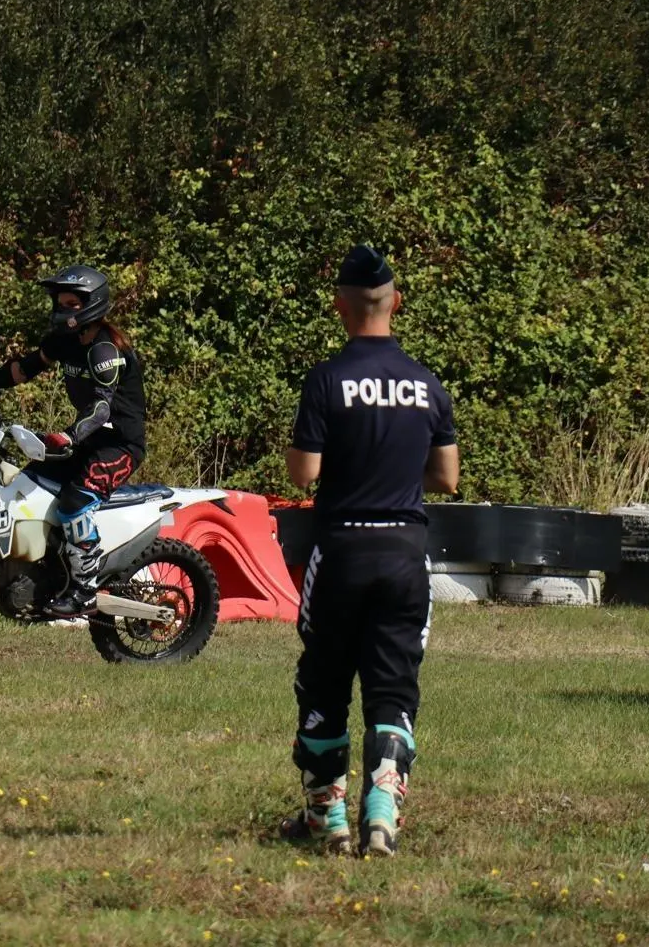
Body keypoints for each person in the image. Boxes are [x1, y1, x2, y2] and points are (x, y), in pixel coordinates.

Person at [279, 244, 459, 857]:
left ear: (340, 307)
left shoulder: (327, 379)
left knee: (325, 683)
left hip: (343, 550)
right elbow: (447, 478)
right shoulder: (428, 385)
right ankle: (381, 813)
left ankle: (327, 817)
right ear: (396, 303)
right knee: (393, 685)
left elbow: (303, 472)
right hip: (407, 553)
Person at [0, 264, 147, 616]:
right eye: (60, 303)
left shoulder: (105, 350)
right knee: (32, 482)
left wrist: (68, 435)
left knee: (74, 503)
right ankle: (41, 574)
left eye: (71, 304)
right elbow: (22, 370)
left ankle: (85, 590)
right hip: (86, 441)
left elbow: (102, 410)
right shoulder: (65, 342)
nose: (63, 310)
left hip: (119, 445)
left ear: (92, 305)